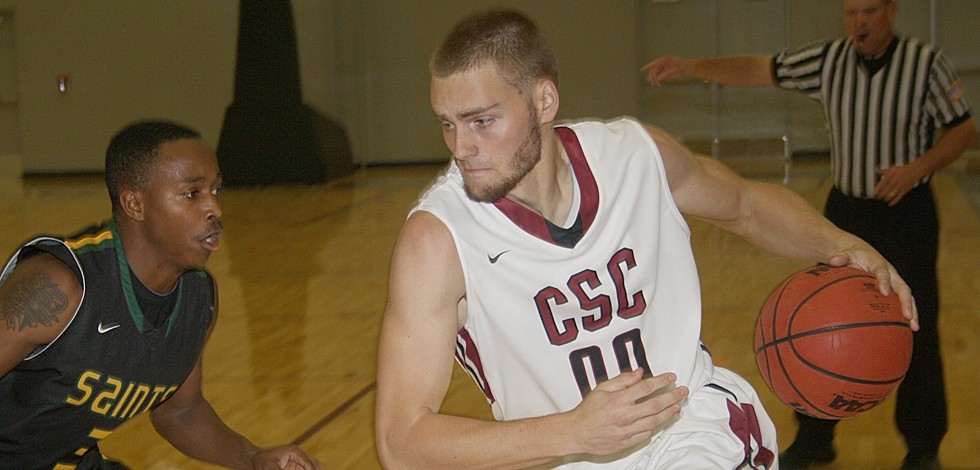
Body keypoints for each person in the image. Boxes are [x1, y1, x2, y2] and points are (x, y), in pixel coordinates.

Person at [374, 9, 918, 469]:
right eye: (447, 123)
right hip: (558, 454)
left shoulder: (635, 157)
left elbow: (747, 206)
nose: (461, 147)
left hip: (690, 428)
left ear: (543, 101)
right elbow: (399, 440)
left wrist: (843, 245)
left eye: (481, 121)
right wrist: (572, 434)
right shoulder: (437, 241)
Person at [642, 0, 974, 468]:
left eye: (870, 12)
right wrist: (692, 65)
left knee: (913, 322)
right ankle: (817, 439)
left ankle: (923, 447)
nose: (859, 22)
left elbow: (962, 131)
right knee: (819, 322)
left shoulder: (926, 65)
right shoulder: (827, 61)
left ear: (892, 11)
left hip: (908, 213)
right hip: (846, 214)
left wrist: (916, 169)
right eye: (851, 12)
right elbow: (759, 69)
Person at [0, 120, 323, 470]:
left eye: (218, 191)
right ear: (134, 205)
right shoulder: (58, 284)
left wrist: (253, 457)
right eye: (192, 193)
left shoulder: (198, 298)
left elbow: (180, 411)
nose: (215, 209)